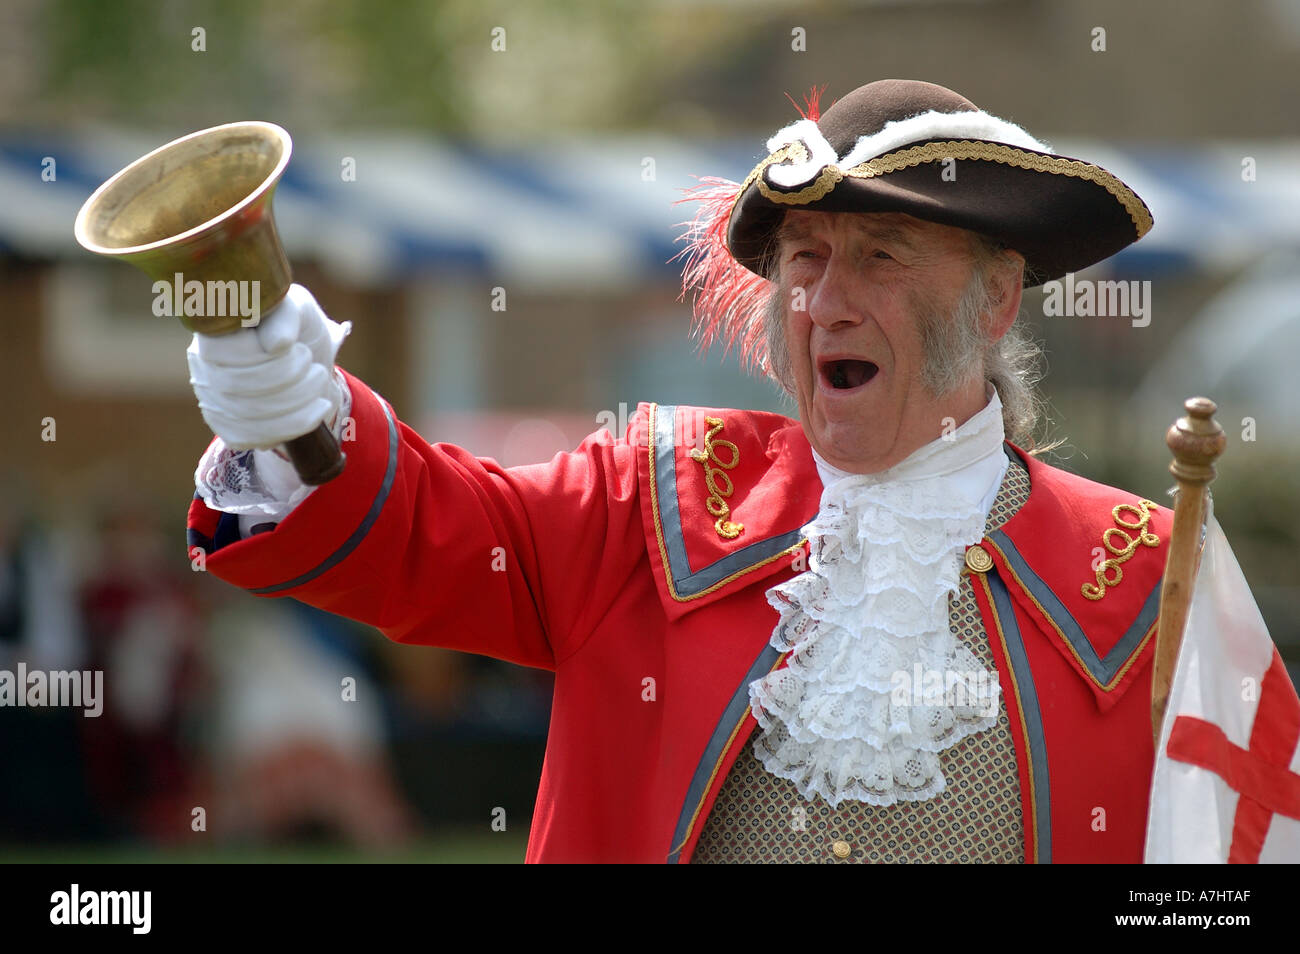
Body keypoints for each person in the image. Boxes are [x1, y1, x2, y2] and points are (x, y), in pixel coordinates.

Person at [183, 79, 1194, 863]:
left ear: (995, 301)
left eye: (881, 256)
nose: (824, 302)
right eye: (804, 258)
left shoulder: (1151, 577)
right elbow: (428, 528)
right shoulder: (651, 506)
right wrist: (291, 407)